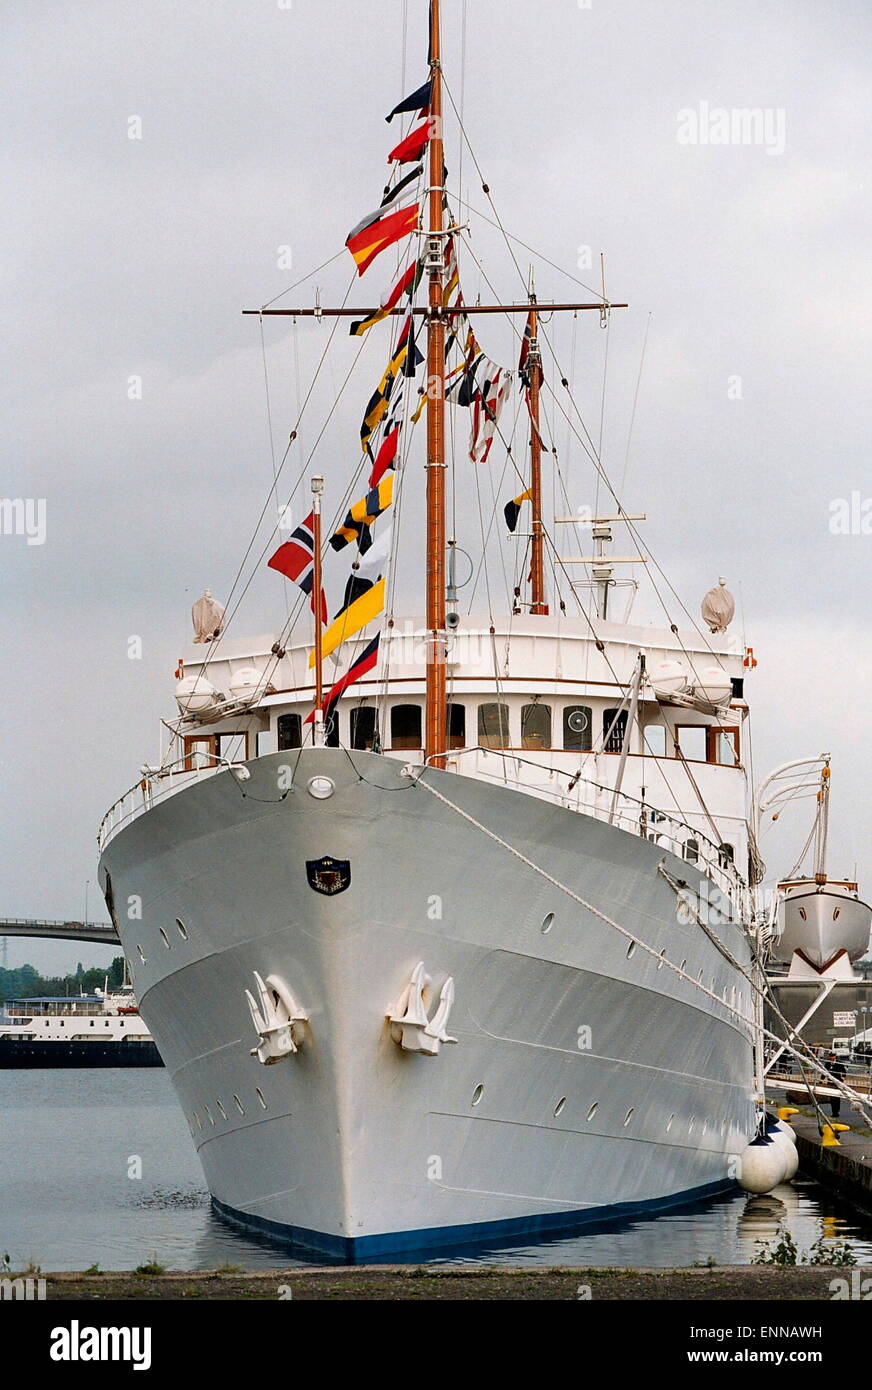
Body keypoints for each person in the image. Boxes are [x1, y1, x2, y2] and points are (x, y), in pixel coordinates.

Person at [828, 1052, 847, 1117]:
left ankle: (836, 1111)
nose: (832, 1057)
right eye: (831, 1056)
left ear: (835, 1056)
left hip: (838, 1082)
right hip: (830, 1082)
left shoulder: (839, 1063)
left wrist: (842, 1079)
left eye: (833, 1056)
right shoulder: (827, 1063)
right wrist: (821, 1080)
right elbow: (824, 1072)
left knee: (837, 1097)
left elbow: (844, 1072)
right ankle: (833, 1112)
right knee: (831, 1097)